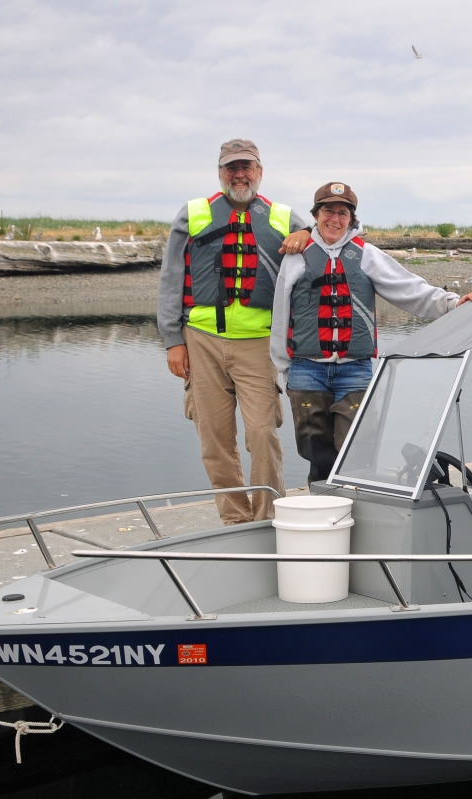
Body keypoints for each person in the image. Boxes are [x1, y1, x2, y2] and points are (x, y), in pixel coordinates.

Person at [271, 182, 472, 483]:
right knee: (317, 456)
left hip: (354, 371)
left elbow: (410, 289)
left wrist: (451, 304)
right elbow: (281, 315)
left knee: (356, 454)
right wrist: (283, 369)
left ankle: (358, 518)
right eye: (328, 210)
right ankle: (324, 518)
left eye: (342, 213)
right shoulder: (296, 257)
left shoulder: (367, 255)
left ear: (351, 219)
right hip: (306, 371)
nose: (335, 219)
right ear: (316, 215)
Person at [157, 139, 313, 524]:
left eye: (247, 167)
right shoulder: (192, 214)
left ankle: (266, 518)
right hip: (202, 343)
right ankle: (235, 519)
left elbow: (328, 238)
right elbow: (171, 279)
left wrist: (307, 232)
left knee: (262, 433)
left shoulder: (282, 216)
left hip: (259, 346)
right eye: (231, 168)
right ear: (220, 173)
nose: (239, 175)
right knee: (214, 439)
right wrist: (173, 341)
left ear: (260, 172)